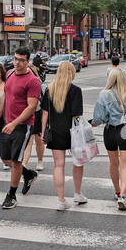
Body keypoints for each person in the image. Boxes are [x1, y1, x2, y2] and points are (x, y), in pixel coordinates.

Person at [0, 48, 42, 209]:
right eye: (15, 59)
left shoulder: (33, 81)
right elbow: (5, 95)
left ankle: (11, 195)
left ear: (28, 61)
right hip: (6, 123)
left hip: (22, 126)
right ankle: (28, 174)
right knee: (5, 159)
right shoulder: (9, 73)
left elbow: (31, 107)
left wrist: (14, 123)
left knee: (16, 161)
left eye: (21, 60)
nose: (17, 62)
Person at [91, 67, 126, 210]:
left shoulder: (104, 94)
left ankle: (117, 191)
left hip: (110, 130)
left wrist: (91, 123)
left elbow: (98, 118)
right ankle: (123, 196)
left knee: (113, 163)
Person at [41, 62, 85, 210]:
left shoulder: (50, 89)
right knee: (78, 162)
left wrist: (42, 133)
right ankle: (77, 193)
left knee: (58, 165)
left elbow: (45, 113)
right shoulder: (75, 90)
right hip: (73, 132)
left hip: (55, 132)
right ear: (71, 73)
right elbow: (77, 115)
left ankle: (61, 200)